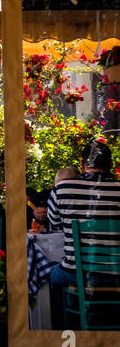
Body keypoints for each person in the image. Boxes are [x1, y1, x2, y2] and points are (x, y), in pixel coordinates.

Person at [46, 140, 120, 328]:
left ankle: (65, 335)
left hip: (75, 273)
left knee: (52, 276)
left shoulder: (62, 189)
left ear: (82, 165)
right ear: (111, 165)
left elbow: (55, 225)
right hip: (115, 274)